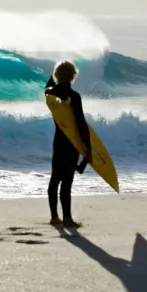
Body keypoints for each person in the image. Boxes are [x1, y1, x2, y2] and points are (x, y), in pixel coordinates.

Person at [44, 60, 91, 227]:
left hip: (59, 141)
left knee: (55, 178)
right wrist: (88, 150)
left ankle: (54, 217)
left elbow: (47, 86)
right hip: (72, 144)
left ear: (57, 75)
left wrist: (55, 74)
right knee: (67, 181)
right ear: (73, 76)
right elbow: (81, 124)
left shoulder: (50, 94)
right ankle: (68, 218)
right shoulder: (75, 97)